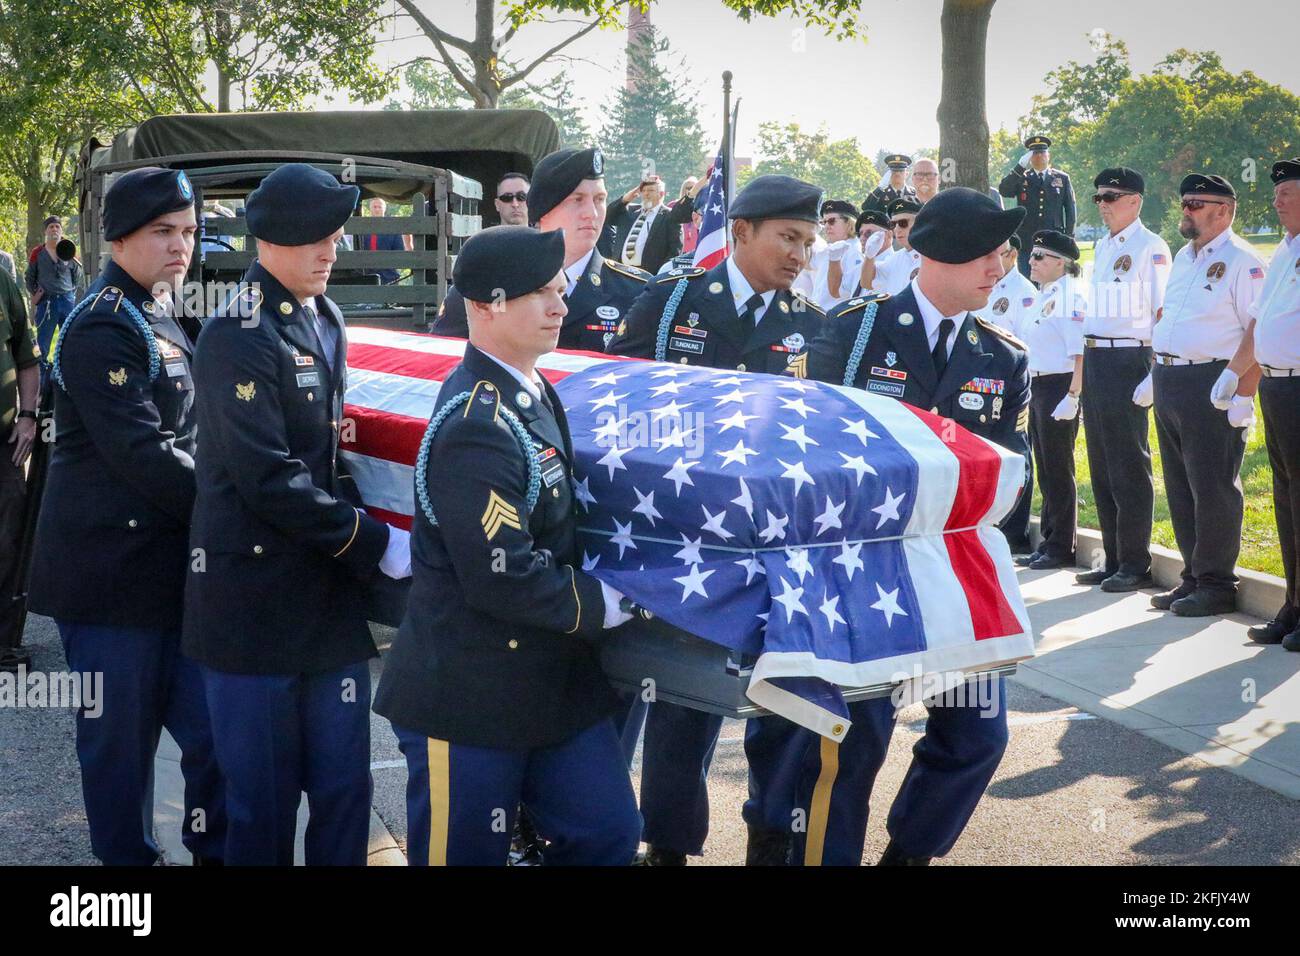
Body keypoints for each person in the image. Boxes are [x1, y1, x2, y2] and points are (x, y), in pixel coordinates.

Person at [372, 226, 641, 865]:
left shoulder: (533, 391)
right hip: (468, 692)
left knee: (606, 833)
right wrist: (602, 604)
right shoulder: (476, 424)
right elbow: (500, 573)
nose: (560, 307)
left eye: (559, 290)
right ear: (488, 305)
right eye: (540, 294)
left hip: (549, 682)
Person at [777, 186, 1029, 866]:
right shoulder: (853, 330)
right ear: (938, 254)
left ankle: (908, 856)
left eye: (1003, 253)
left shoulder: (1004, 358)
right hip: (861, 576)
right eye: (987, 252)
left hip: (952, 577)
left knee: (978, 736)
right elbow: (808, 449)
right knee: (851, 745)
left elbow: (1013, 474)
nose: (999, 267)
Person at [184, 163, 413, 865]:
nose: (333, 248)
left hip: (324, 602)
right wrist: (375, 542)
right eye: (318, 235)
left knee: (345, 788)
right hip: (253, 608)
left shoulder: (326, 317)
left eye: (337, 233)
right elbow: (266, 477)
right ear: (274, 239)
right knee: (264, 803)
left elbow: (329, 454)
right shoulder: (238, 331)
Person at [607, 173, 827, 865]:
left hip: (741, 549)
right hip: (650, 533)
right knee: (616, 691)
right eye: (788, 238)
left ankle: (669, 846)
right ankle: (596, 831)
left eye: (809, 243)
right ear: (740, 233)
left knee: (693, 701)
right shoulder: (669, 304)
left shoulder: (812, 328)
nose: (799, 255)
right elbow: (610, 401)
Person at [27, 167, 225, 866]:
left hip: (172, 579)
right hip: (108, 586)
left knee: (216, 742)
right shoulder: (105, 322)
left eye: (189, 231)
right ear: (119, 237)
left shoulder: (163, 309)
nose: (181, 246)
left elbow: (197, 433)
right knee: (119, 759)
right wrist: (240, 511)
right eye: (162, 231)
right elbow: (146, 455)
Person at [1141, 174, 1264, 616]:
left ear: (1224, 211)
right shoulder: (1185, 256)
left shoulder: (1242, 260)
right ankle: (1193, 575)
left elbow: (1257, 328)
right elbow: (1170, 316)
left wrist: (1242, 391)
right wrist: (1155, 370)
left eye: (1196, 203)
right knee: (1180, 484)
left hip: (1213, 382)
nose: (1186, 210)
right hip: (1172, 378)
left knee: (1212, 486)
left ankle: (1216, 583)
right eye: (1185, 202)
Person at [433, 147, 652, 352]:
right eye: (577, 200)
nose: (592, 213)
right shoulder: (489, 279)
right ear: (543, 209)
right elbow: (439, 362)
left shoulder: (636, 292)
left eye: (599, 199)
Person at [1075, 167, 1172, 592]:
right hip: (1098, 358)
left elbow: (1162, 313)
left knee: (1129, 464)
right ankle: (1113, 558)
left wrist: (1154, 371)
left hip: (1130, 358)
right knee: (1101, 463)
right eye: (1098, 197)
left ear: (1135, 200)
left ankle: (1135, 562)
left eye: (1111, 197)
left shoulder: (1151, 248)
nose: (1102, 204)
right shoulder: (1105, 245)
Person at [1242, 159, 1300, 647]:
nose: (1278, 199)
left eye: (1288, 192)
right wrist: (1236, 377)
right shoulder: (1283, 250)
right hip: (1276, 387)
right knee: (1285, 499)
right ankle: (1292, 605)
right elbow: (1261, 320)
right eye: (1277, 191)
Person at [1017, 229, 1087, 570]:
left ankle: (1062, 544)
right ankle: (1049, 539)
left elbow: (1080, 352)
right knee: (1045, 467)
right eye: (1032, 255)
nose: (1031, 261)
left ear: (1061, 262)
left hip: (1060, 385)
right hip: (1039, 385)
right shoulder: (1045, 294)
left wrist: (1073, 395)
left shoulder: (1070, 295)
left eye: (1039, 256)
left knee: (1059, 468)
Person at [976, 234, 1040, 554]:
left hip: (1011, 380)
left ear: (1013, 254)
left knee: (1015, 451)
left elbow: (1023, 341)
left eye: (999, 254)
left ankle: (1015, 530)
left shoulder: (1023, 293)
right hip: (981, 382)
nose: (993, 262)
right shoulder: (986, 285)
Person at [0, 252, 40, 669]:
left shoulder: (2, 280)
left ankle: (4, 641)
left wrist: (28, 417)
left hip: (5, 439)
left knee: (10, 534)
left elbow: (26, 357)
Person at [998, 135, 1076, 276]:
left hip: (1053, 238)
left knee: (1052, 279)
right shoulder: (1022, 177)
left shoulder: (1061, 178)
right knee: (1029, 277)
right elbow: (1004, 190)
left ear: (1048, 156)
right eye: (1035, 153)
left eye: (1042, 152)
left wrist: (1069, 237)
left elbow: (1070, 209)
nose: (1039, 156)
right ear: (1029, 157)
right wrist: (1019, 167)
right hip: (1027, 240)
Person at [24, 215, 83, 372]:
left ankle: (67, 377)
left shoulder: (69, 249)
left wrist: (69, 293)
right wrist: (38, 294)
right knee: (42, 344)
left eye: (57, 226)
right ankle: (43, 384)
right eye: (51, 227)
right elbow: (29, 277)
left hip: (67, 302)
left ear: (61, 230)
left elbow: (77, 275)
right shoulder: (38, 252)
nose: (54, 229)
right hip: (47, 304)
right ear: (46, 231)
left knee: (70, 341)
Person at [606, 173, 689, 274]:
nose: (646, 194)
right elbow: (608, 217)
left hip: (648, 275)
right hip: (621, 271)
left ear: (662, 194)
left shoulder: (670, 216)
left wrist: (660, 275)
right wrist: (625, 199)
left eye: (651, 190)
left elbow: (674, 251)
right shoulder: (630, 212)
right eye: (643, 190)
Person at [865, 197, 923, 296]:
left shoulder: (935, 256)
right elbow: (867, 283)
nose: (897, 229)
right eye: (893, 224)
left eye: (902, 223)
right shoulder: (894, 259)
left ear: (920, 222)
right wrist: (869, 257)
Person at [812, 199, 861, 310]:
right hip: (820, 315)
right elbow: (808, 262)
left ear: (849, 223)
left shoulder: (855, 251)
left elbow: (846, 293)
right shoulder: (830, 248)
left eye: (832, 221)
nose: (827, 226)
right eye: (824, 222)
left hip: (837, 317)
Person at [354, 197, 411, 287]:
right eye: (374, 207)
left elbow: (399, 252)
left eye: (379, 207)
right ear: (370, 208)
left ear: (384, 209)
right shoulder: (362, 228)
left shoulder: (392, 230)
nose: (377, 209)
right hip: (365, 275)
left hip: (388, 275)